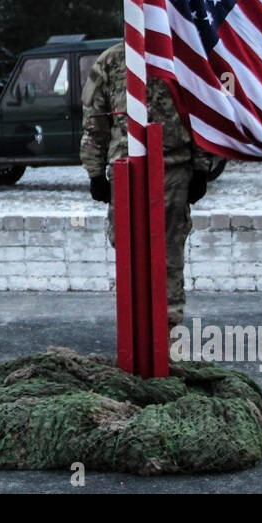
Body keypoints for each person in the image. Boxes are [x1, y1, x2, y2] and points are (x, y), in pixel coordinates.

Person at [80, 41, 212, 326]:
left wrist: (202, 167)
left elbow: (201, 115)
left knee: (169, 251)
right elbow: (94, 122)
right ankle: (135, 324)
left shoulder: (181, 57)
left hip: (173, 169)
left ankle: (168, 326)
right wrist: (94, 172)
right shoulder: (111, 61)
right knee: (128, 249)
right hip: (125, 172)